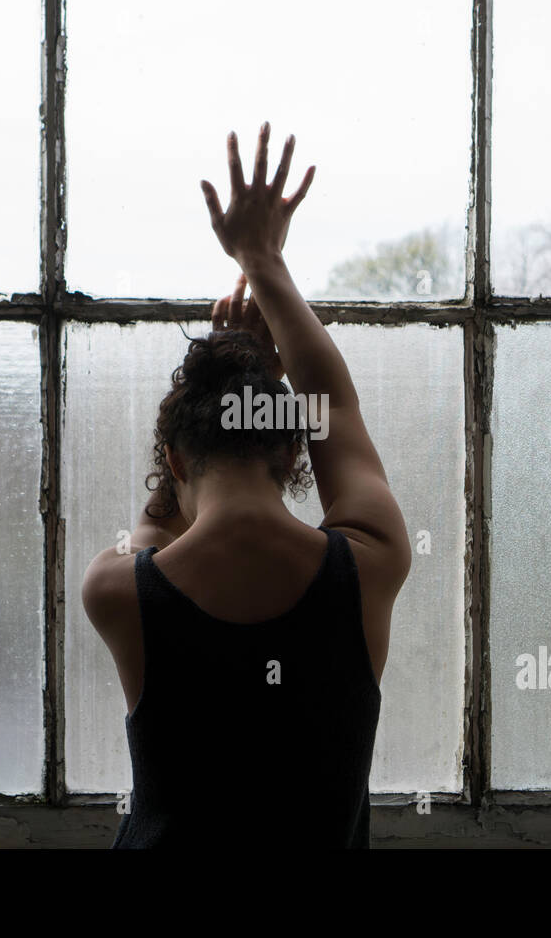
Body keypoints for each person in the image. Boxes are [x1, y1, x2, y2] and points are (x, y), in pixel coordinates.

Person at [81, 122, 411, 848]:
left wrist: (235, 361)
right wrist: (262, 261)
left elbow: (158, 533)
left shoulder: (116, 590)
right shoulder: (372, 560)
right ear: (295, 443)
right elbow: (338, 409)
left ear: (172, 459)